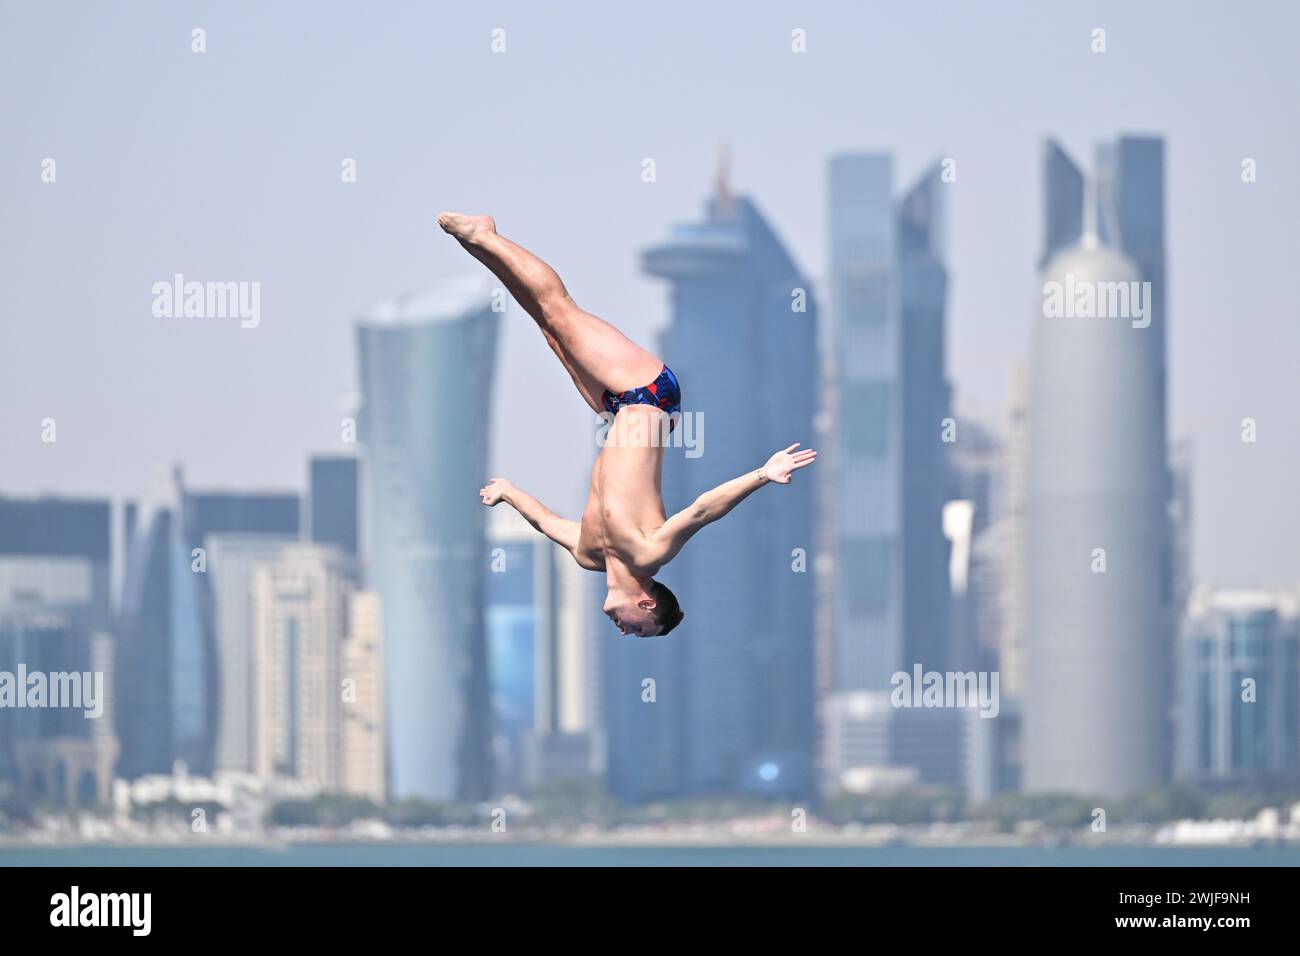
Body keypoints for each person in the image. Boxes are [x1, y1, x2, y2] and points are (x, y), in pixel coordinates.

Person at [438, 212, 816, 637]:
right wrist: (763, 475)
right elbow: (703, 509)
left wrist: (509, 493)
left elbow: (546, 522)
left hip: (617, 408)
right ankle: (485, 235)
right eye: (639, 628)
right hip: (650, 394)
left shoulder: (588, 553)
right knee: (560, 313)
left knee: (548, 327)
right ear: (647, 602)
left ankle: (482, 248)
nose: (625, 631)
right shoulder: (649, 551)